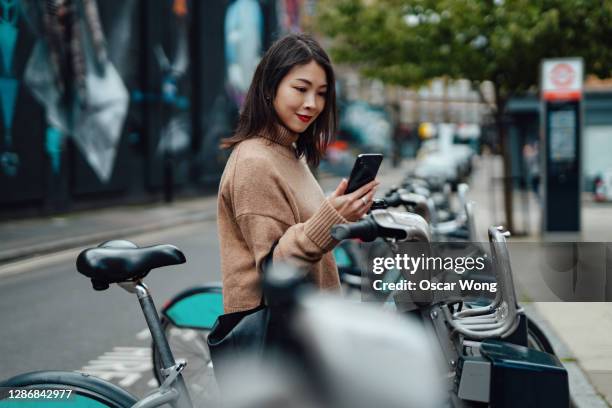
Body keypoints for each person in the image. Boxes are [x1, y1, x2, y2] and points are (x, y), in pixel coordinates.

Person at [217, 33, 379, 313]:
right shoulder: (254, 162)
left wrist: (344, 211)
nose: (312, 104)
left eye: (321, 93)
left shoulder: (290, 153)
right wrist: (332, 219)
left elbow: (298, 227)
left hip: (310, 323)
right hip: (275, 338)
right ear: (270, 88)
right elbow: (274, 270)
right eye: (301, 89)